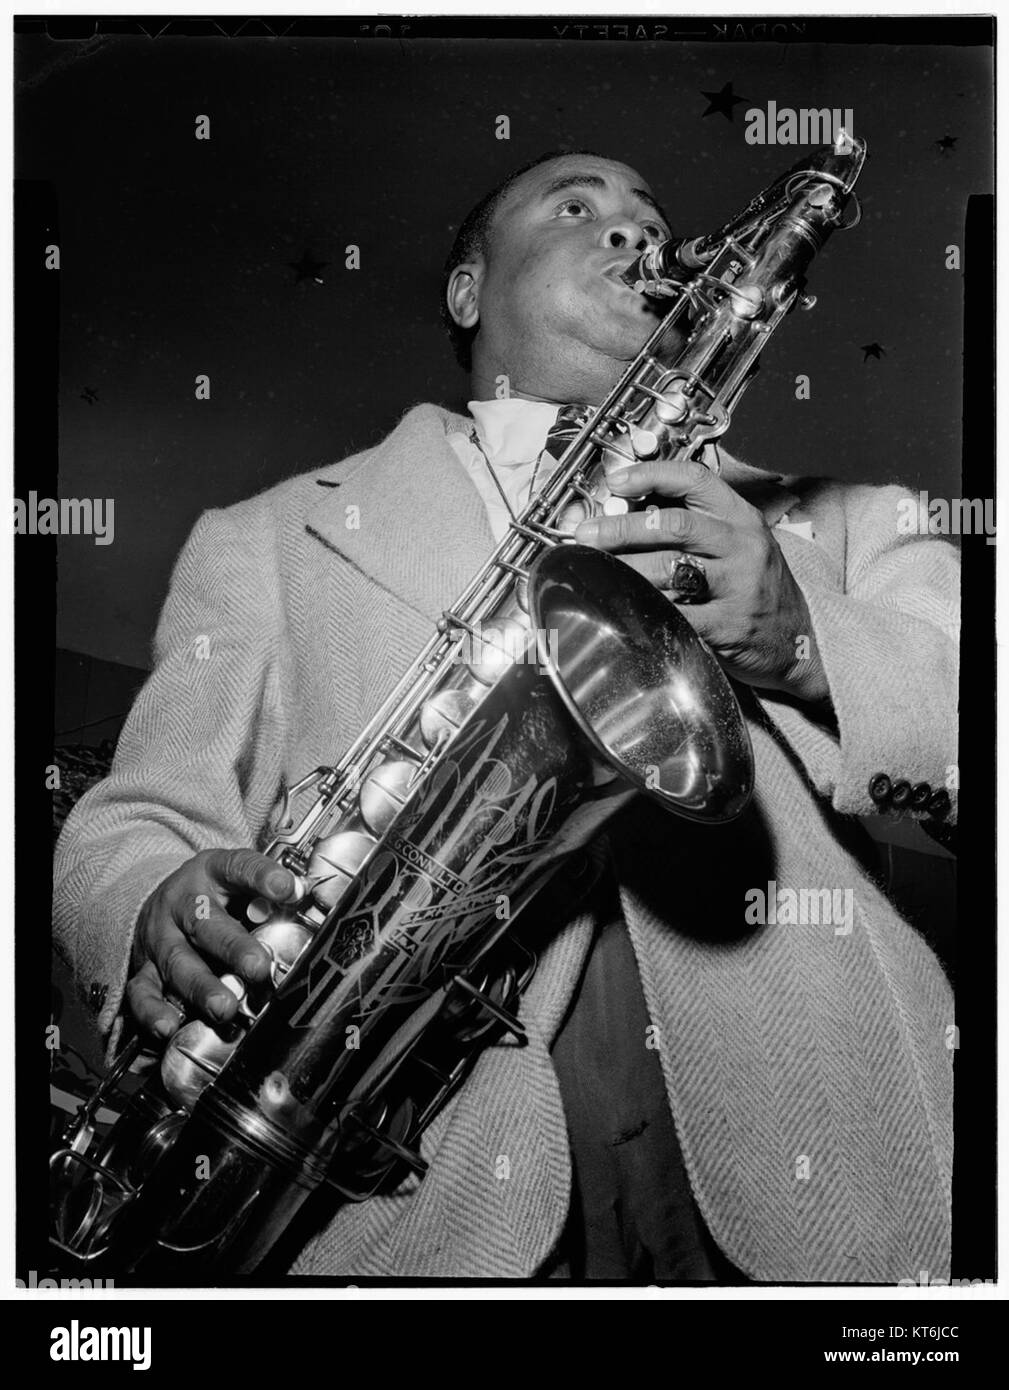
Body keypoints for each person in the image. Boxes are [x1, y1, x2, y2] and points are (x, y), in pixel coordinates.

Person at [53, 150, 958, 1282]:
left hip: (807, 1169)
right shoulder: (264, 538)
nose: (631, 233)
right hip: (395, 1176)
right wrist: (148, 900)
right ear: (468, 290)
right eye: (577, 206)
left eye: (651, 218)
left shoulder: (861, 519)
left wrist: (800, 639)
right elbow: (132, 816)